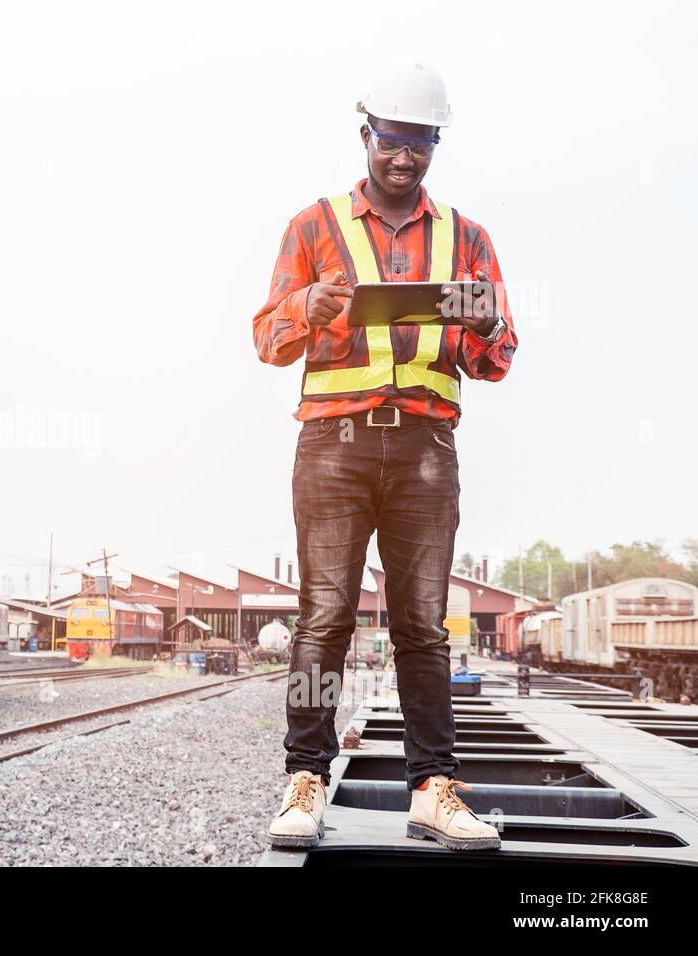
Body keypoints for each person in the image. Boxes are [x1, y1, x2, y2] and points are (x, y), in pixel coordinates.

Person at [252, 62, 517, 851]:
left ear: (435, 144)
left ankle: (434, 788)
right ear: (367, 135)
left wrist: (485, 319)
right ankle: (304, 777)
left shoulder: (467, 238)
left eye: (420, 146)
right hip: (332, 447)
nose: (404, 160)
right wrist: (310, 304)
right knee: (323, 619)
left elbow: (496, 360)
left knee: (423, 628)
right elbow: (268, 338)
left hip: (426, 448)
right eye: (392, 143)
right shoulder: (314, 227)